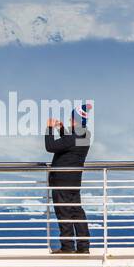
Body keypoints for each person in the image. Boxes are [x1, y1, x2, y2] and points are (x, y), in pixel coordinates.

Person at [45, 108, 91, 254]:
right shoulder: (84, 135)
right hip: (74, 181)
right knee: (76, 212)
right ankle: (84, 246)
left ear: (76, 120)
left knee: (64, 213)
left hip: (62, 181)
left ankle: (68, 247)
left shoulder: (74, 137)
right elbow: (69, 143)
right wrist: (62, 129)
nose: (70, 121)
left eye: (71, 119)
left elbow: (50, 146)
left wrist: (50, 129)